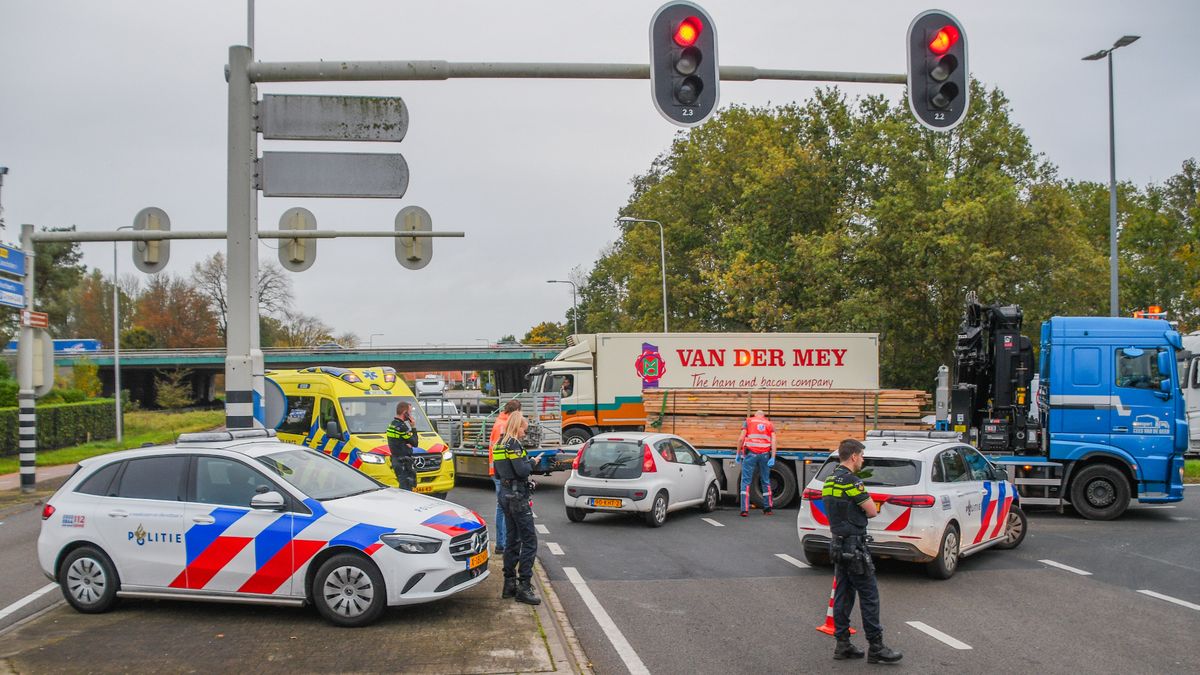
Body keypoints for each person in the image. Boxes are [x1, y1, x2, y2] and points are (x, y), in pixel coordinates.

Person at [822, 438, 902, 664]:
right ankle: (876, 647)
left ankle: (843, 644)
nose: (863, 460)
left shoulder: (829, 480)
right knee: (869, 595)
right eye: (862, 456)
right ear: (854, 456)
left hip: (837, 544)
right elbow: (870, 511)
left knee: (843, 595)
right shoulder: (852, 481)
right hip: (854, 545)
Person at [492, 410, 540, 605]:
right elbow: (521, 470)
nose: (524, 433)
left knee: (512, 540)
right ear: (517, 426)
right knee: (529, 541)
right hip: (517, 496)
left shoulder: (499, 444)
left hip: (504, 495)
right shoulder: (514, 444)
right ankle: (524, 586)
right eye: (524, 429)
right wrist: (532, 463)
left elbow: (496, 472)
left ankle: (509, 584)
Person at [488, 399, 522, 558]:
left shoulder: (500, 421)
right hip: (502, 473)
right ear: (516, 412)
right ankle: (502, 543)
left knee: (502, 507)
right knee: (503, 508)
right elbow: (501, 454)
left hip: (498, 472)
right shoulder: (503, 426)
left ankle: (504, 543)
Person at [736, 409, 777, 516]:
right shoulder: (769, 424)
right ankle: (768, 508)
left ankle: (744, 510)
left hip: (751, 454)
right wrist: (772, 457)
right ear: (763, 416)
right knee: (765, 480)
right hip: (764, 455)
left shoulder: (748, 421)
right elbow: (774, 440)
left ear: (755, 415)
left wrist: (738, 453)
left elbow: (741, 439)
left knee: (746, 481)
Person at [386, 401, 419, 490]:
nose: (411, 415)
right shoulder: (402, 427)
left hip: (396, 460)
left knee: (403, 487)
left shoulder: (391, 424)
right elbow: (415, 443)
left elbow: (397, 442)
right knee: (406, 490)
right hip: (404, 463)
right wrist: (413, 427)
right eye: (410, 412)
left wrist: (406, 443)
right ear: (405, 413)